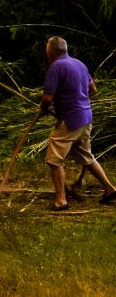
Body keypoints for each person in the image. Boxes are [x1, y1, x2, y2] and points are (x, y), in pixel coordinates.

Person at [40, 36, 116, 210]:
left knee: (54, 160)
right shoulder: (79, 64)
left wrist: (44, 108)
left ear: (51, 50)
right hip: (86, 117)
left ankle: (61, 200)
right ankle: (110, 188)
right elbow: (93, 89)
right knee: (86, 156)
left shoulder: (56, 67)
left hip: (70, 120)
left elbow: (47, 98)